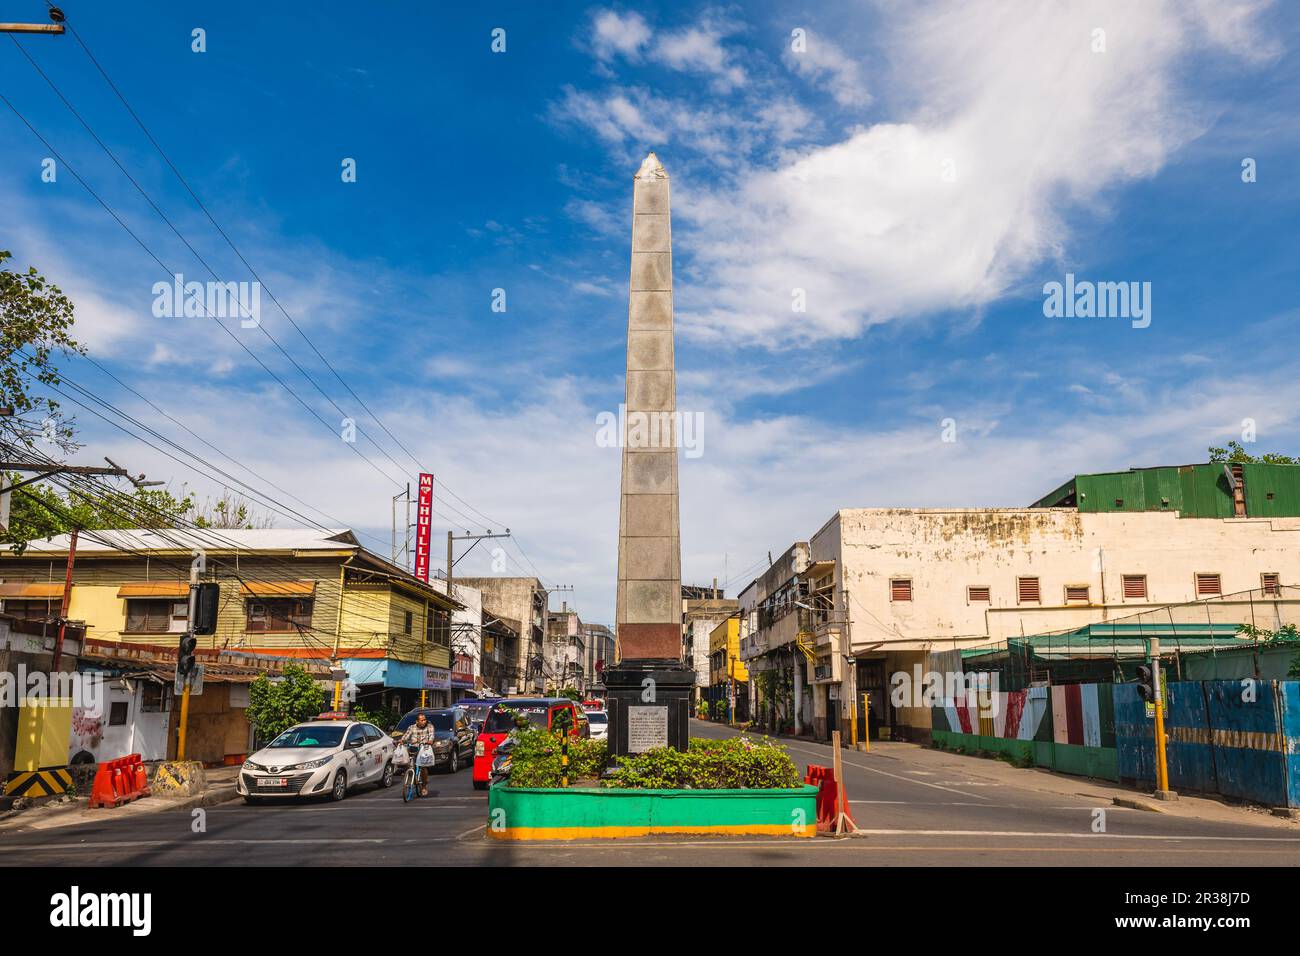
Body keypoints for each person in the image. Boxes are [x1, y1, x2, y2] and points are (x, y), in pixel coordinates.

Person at [399, 712, 437, 796]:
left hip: (424, 749)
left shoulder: (429, 727)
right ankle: (408, 777)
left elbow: (431, 736)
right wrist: (402, 741)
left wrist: (430, 741)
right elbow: (406, 736)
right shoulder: (411, 727)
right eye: (421, 720)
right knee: (408, 763)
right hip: (413, 748)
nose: (424, 721)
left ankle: (424, 786)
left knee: (422, 767)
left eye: (424, 720)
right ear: (417, 721)